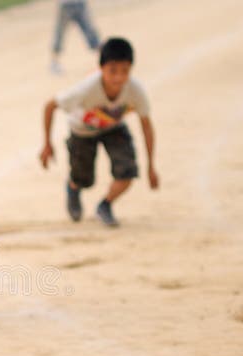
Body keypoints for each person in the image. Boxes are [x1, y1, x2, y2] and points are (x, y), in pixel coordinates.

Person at [39, 37, 158, 227]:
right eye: (113, 71)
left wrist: (151, 165)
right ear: (101, 68)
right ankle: (73, 187)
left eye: (125, 71)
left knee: (127, 172)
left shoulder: (135, 90)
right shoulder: (87, 88)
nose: (118, 78)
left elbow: (146, 124)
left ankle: (105, 205)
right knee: (84, 179)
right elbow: (50, 106)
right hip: (82, 131)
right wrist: (47, 144)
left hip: (113, 127)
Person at [50, 0, 101, 74]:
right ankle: (54, 62)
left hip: (69, 4)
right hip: (72, 4)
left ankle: (104, 60)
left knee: (89, 32)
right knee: (89, 31)